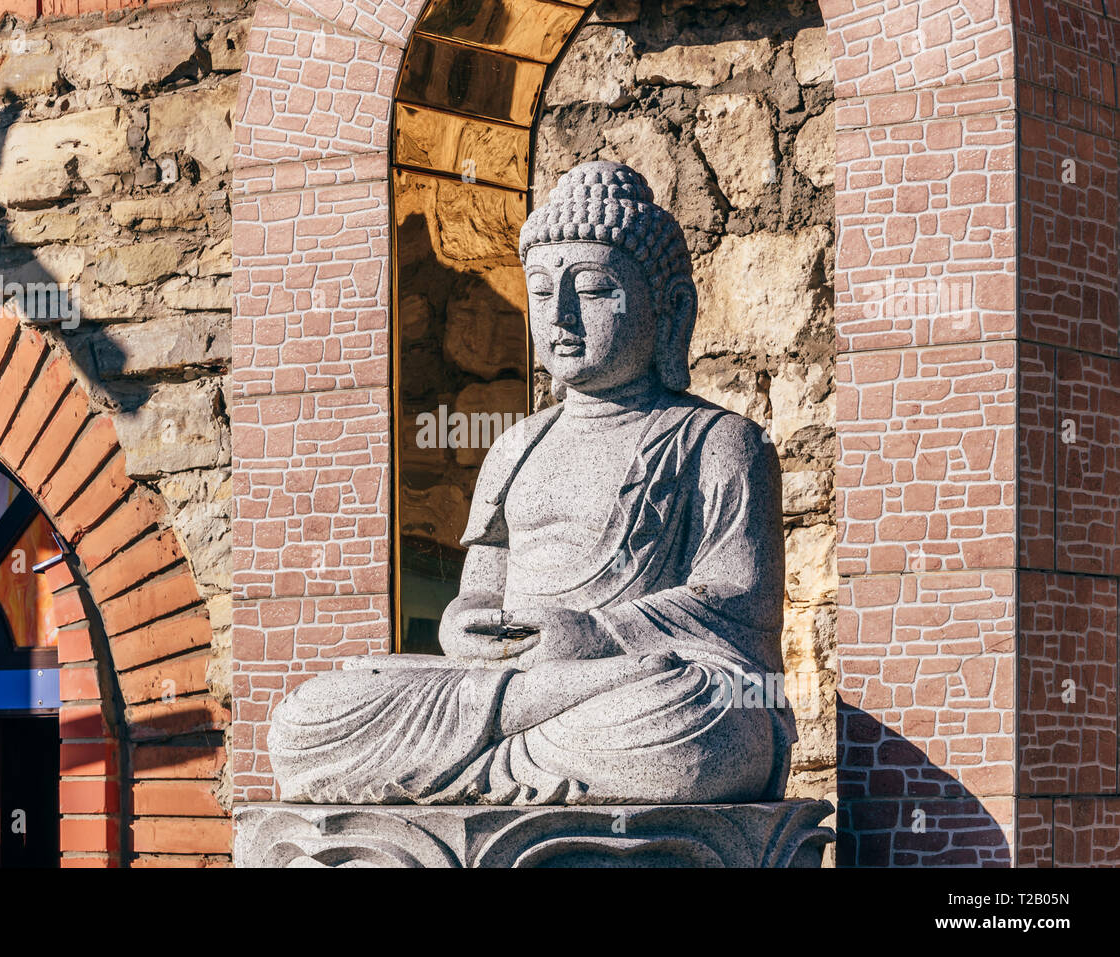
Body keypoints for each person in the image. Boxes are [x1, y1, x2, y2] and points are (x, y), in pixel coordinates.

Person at [268, 161, 795, 805]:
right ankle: (516, 755)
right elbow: (478, 595)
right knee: (308, 718)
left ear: (669, 308)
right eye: (542, 292)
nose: (561, 316)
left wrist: (595, 635)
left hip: (632, 686)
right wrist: (462, 626)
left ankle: (472, 765)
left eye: (594, 289)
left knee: (704, 725)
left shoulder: (718, 441)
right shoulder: (518, 445)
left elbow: (739, 606)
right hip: (510, 690)